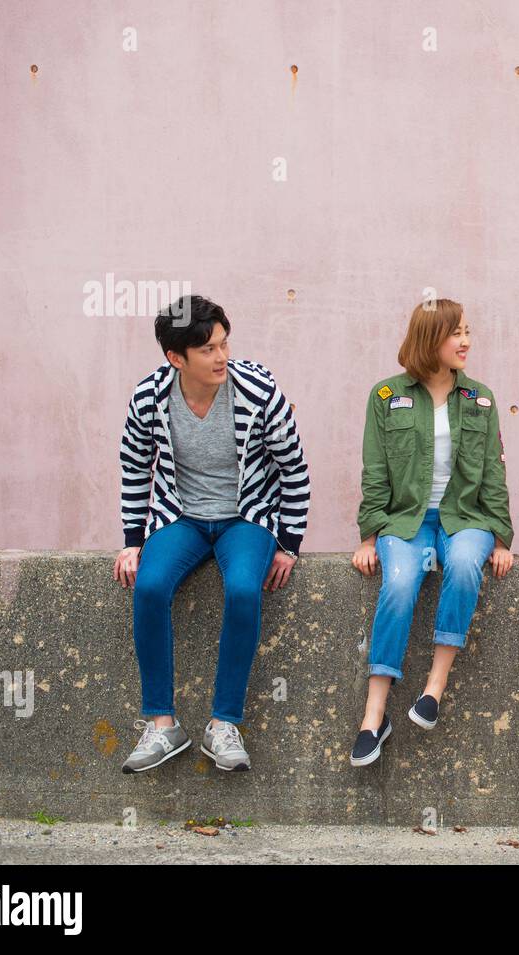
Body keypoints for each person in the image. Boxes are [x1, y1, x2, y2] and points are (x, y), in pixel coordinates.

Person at [113, 295, 310, 773]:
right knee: (149, 585)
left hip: (246, 518)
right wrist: (132, 540)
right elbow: (135, 467)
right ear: (176, 358)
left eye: (224, 344)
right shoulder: (149, 397)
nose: (222, 357)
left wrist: (289, 544)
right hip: (180, 517)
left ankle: (223, 725)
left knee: (243, 588)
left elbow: (294, 468)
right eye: (208, 350)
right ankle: (163, 726)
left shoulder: (257, 390)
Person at [350, 298, 514, 766]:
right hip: (407, 519)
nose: (466, 341)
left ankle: (433, 689)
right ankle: (374, 714)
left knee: (463, 564)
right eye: (455, 333)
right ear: (430, 338)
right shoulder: (386, 396)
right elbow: (374, 470)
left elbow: (494, 472)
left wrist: (501, 538)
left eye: (467, 331)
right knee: (400, 583)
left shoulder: (480, 398)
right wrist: (368, 536)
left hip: (465, 517)